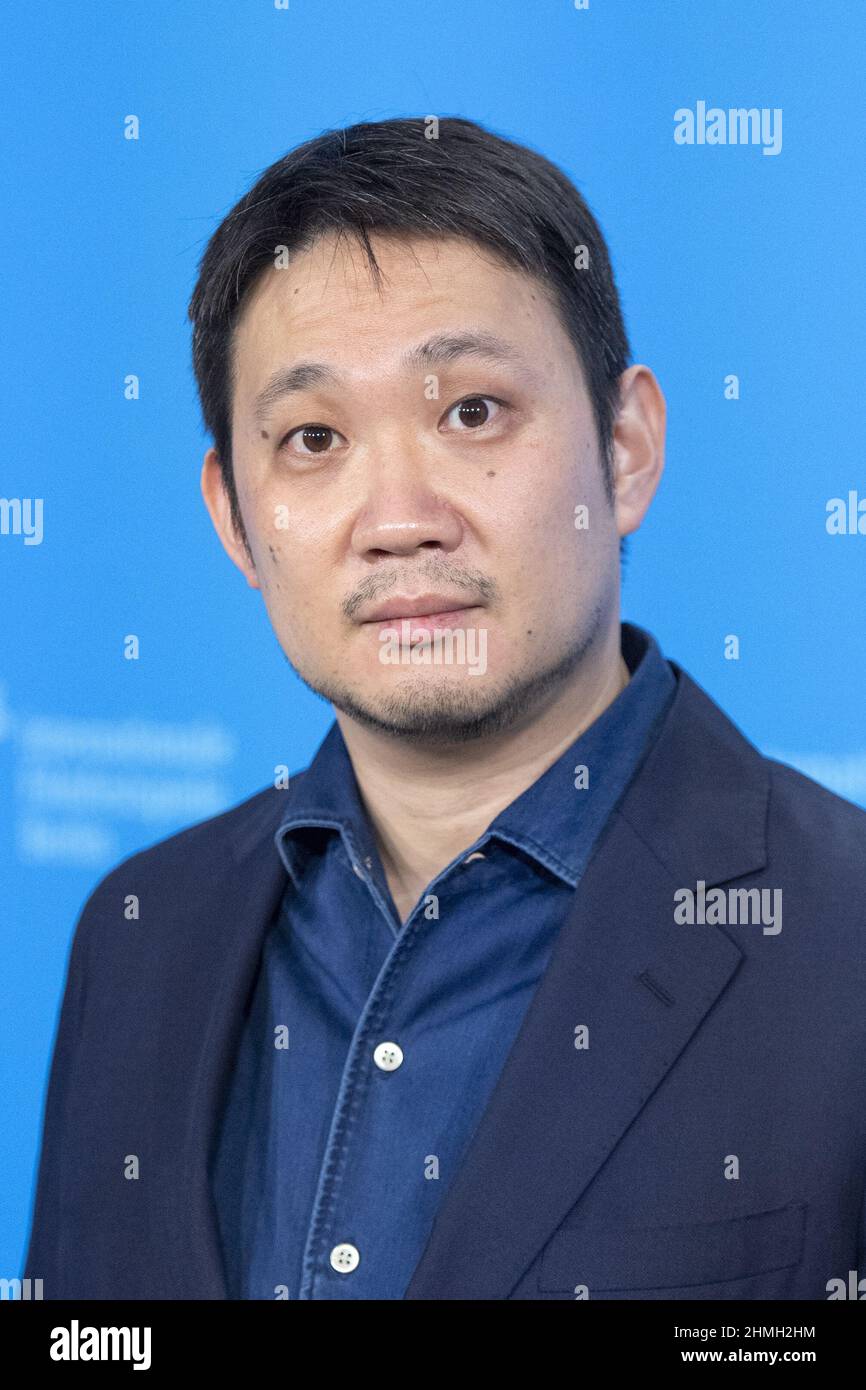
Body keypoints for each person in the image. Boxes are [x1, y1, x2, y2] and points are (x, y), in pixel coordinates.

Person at [24, 116, 866, 1300]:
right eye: (313, 437)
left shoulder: (838, 935)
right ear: (234, 520)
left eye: (471, 412)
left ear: (624, 450)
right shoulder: (140, 933)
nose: (400, 517)